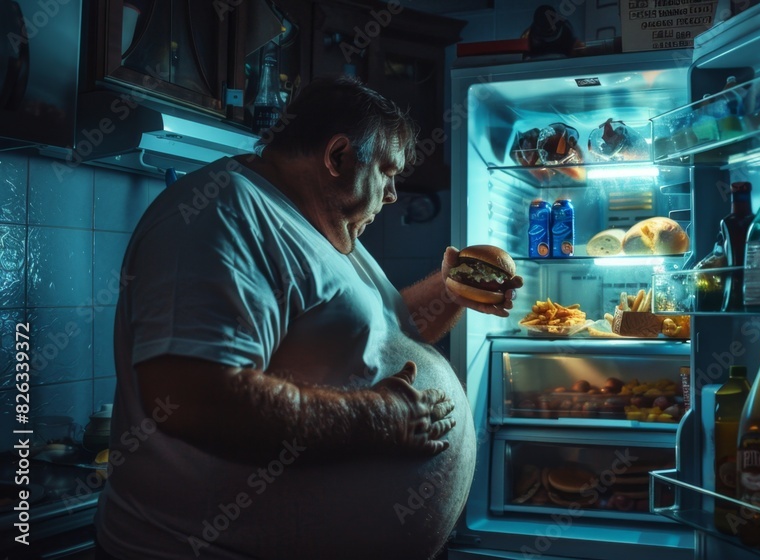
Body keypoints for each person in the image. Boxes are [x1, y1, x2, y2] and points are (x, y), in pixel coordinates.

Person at [94, 76, 523, 560]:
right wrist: (382, 417)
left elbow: (376, 342)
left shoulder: (325, 230)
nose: (394, 194)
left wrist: (453, 290)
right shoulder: (223, 213)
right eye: (386, 171)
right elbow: (192, 397)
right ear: (338, 156)